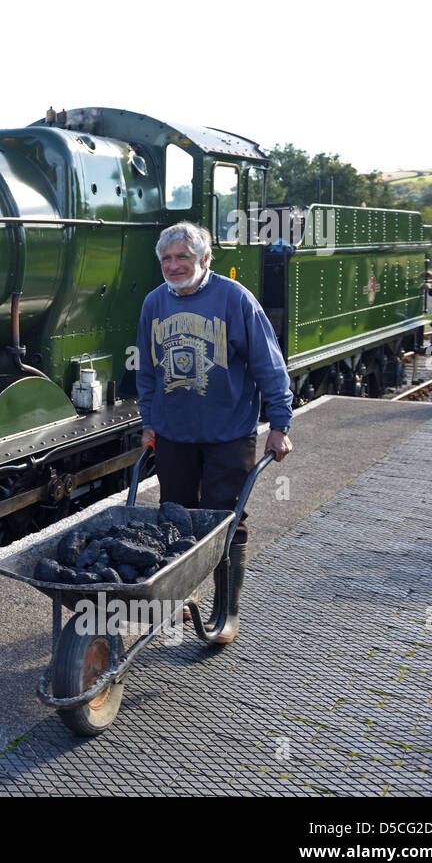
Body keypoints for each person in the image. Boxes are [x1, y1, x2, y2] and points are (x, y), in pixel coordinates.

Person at [135, 221, 293, 639]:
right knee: (176, 518)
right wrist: (149, 424)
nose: (173, 265)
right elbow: (147, 371)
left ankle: (227, 612)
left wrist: (280, 424)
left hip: (229, 433)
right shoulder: (154, 303)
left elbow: (269, 365)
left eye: (182, 257)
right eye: (166, 259)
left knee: (226, 520)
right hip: (172, 434)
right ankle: (182, 598)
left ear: (205, 259)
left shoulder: (235, 299)